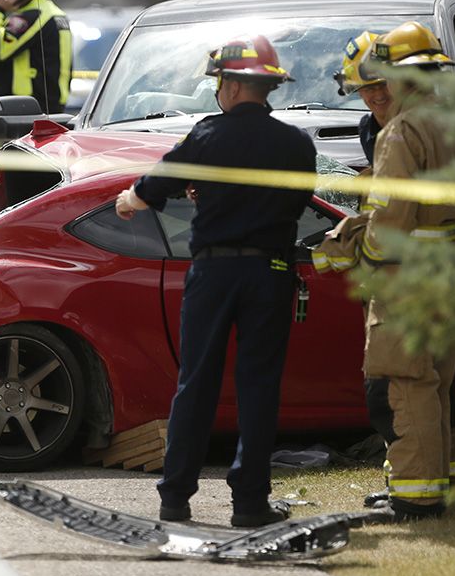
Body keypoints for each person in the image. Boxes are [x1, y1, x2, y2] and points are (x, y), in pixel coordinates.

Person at [114, 35, 316, 528]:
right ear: (267, 86)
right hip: (270, 271)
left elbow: (149, 190)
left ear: (228, 84)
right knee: (259, 388)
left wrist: (129, 200)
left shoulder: (206, 135)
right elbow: (295, 208)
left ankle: (176, 499)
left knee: (197, 382)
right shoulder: (296, 144)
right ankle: (249, 504)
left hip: (214, 271)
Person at [321, 21, 455, 520]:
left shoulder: (403, 132)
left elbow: (391, 221)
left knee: (402, 382)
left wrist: (353, 255)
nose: (374, 93)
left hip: (407, 276)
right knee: (448, 380)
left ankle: (416, 496)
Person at [333, 30, 392, 168]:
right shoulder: (367, 128)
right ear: (358, 91)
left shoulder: (420, 126)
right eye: (369, 88)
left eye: (384, 85)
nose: (379, 95)